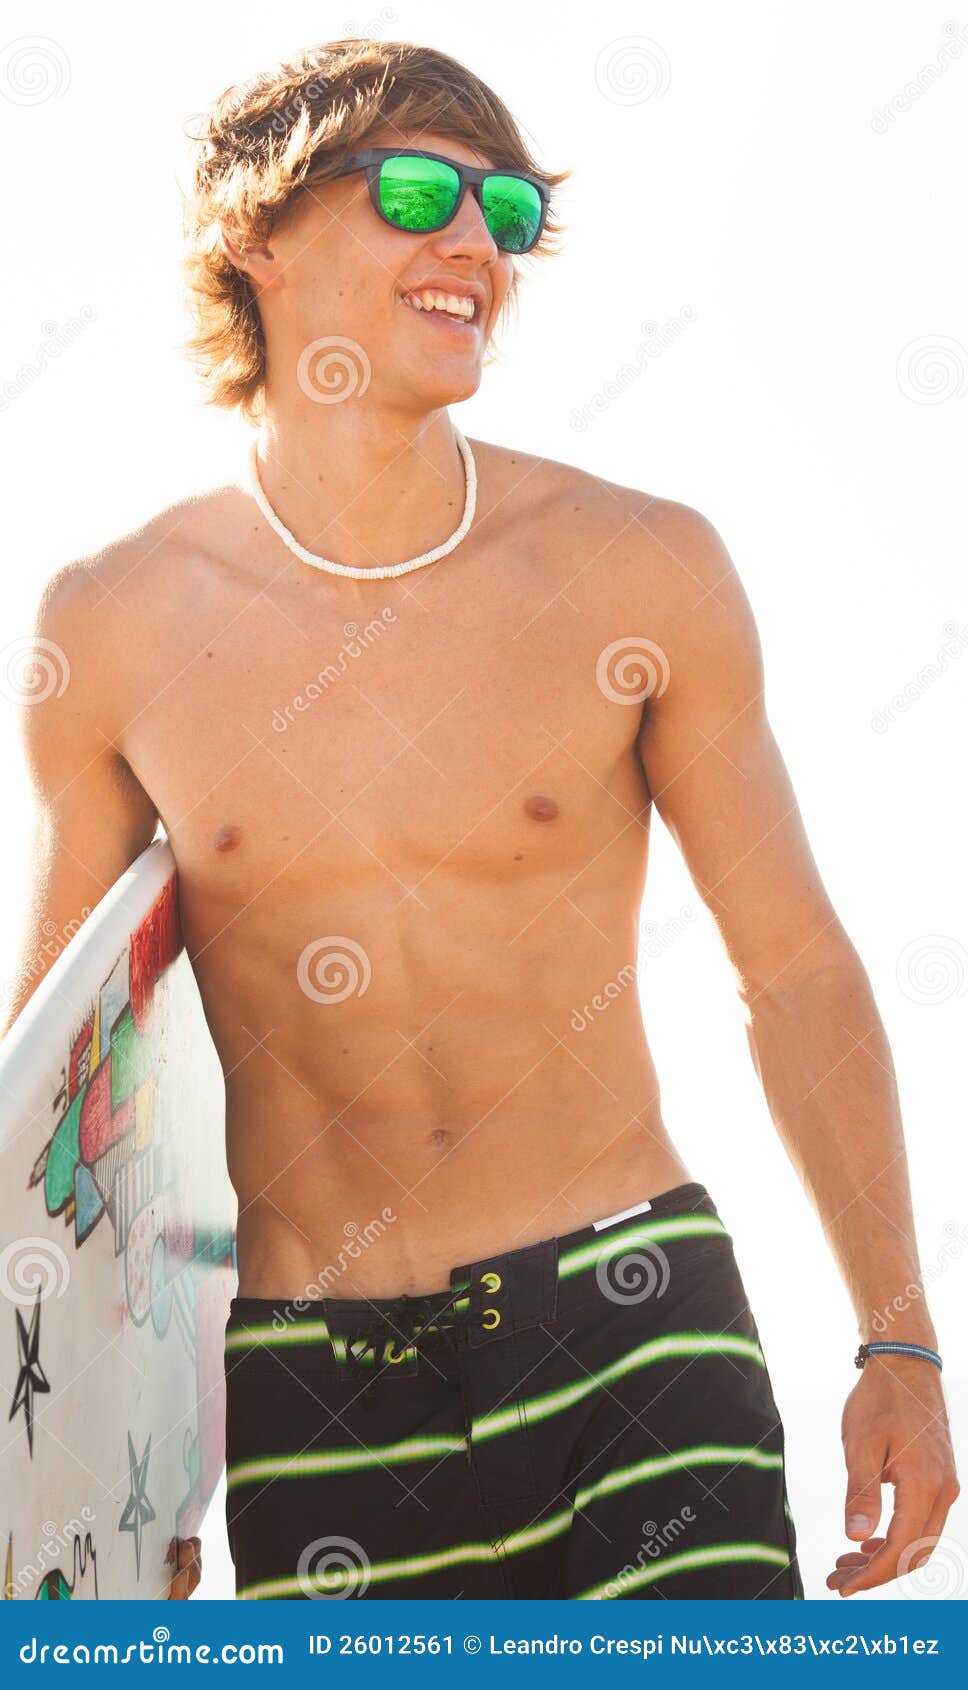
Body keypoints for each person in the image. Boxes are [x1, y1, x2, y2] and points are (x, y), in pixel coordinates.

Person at [7, 39, 957, 1601]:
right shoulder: (110, 629)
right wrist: (87, 1502)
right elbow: (66, 1104)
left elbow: (792, 969)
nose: (475, 248)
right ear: (254, 235)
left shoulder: (637, 571)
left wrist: (900, 1337)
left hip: (630, 1316)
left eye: (503, 211)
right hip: (317, 1387)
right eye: (418, 194)